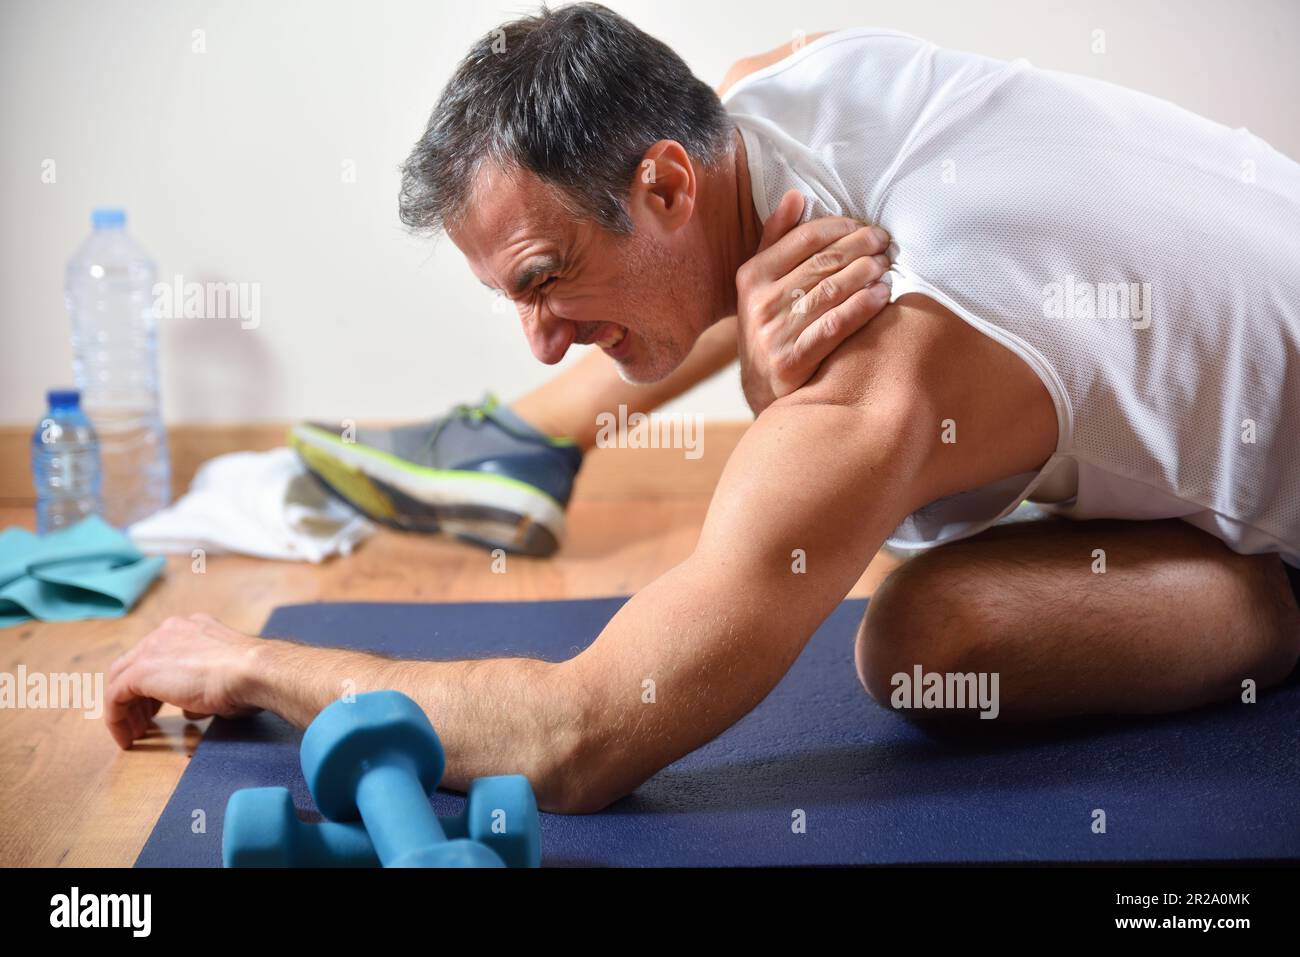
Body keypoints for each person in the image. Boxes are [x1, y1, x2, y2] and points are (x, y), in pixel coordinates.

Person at [107, 6, 1300, 815]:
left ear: (669, 178)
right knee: (721, 324)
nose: (540, 333)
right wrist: (764, 383)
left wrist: (255, 664)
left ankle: (1280, 597)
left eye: (542, 280)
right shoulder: (785, 82)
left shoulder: (885, 378)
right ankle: (521, 441)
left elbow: (579, 736)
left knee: (924, 643)